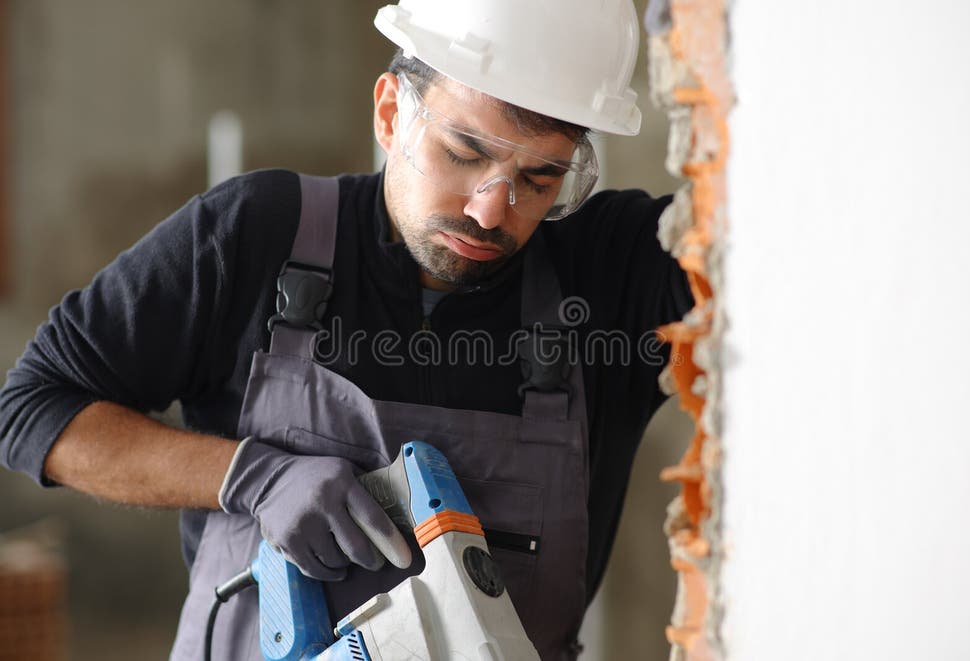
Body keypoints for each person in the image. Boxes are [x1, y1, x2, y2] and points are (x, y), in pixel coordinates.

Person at [0, 1, 693, 659]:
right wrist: (252, 476)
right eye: (464, 153)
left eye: (540, 178)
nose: (491, 210)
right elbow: (33, 410)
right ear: (392, 113)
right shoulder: (256, 234)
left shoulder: (610, 275)